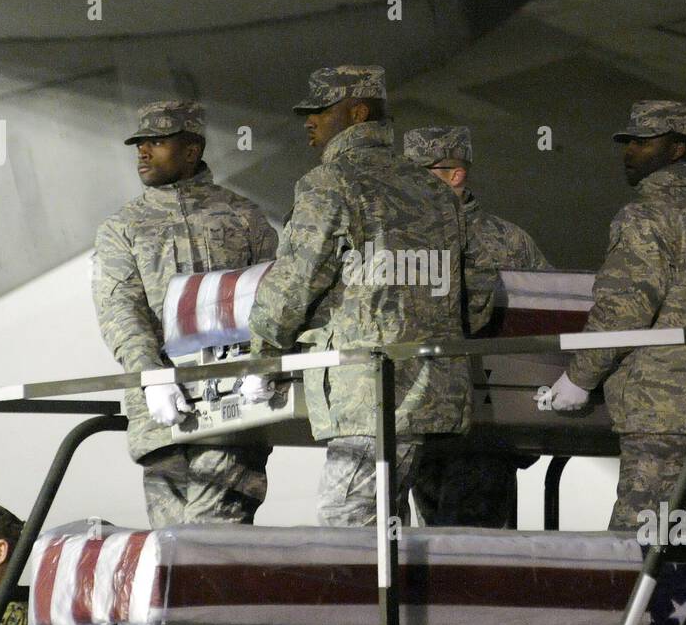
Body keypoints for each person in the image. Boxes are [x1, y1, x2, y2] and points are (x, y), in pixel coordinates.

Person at [246, 67, 495, 526]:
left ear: (357, 113)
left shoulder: (330, 183)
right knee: (396, 529)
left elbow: (294, 282)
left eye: (321, 111)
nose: (310, 121)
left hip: (368, 394)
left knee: (348, 523)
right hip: (436, 390)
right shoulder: (436, 192)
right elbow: (477, 289)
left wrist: (263, 356)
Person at [542, 100, 686, 531]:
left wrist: (579, 378)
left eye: (644, 142)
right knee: (679, 539)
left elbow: (624, 309)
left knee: (639, 543)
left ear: (677, 150)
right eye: (628, 142)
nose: (629, 151)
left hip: (661, 408)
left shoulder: (647, 216)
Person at [92, 100, 278, 527]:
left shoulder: (245, 217)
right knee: (173, 547)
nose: (143, 152)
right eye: (140, 144)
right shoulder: (123, 228)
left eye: (156, 142)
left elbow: (272, 299)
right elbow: (120, 309)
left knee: (214, 540)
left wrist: (263, 361)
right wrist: (149, 375)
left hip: (235, 407)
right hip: (161, 415)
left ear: (192, 150)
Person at [402, 124, 551, 526]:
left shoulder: (506, 241)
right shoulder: (399, 239)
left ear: (456, 174)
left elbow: (547, 314)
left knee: (472, 539)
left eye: (422, 172)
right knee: (429, 541)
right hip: (420, 413)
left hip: (487, 421)